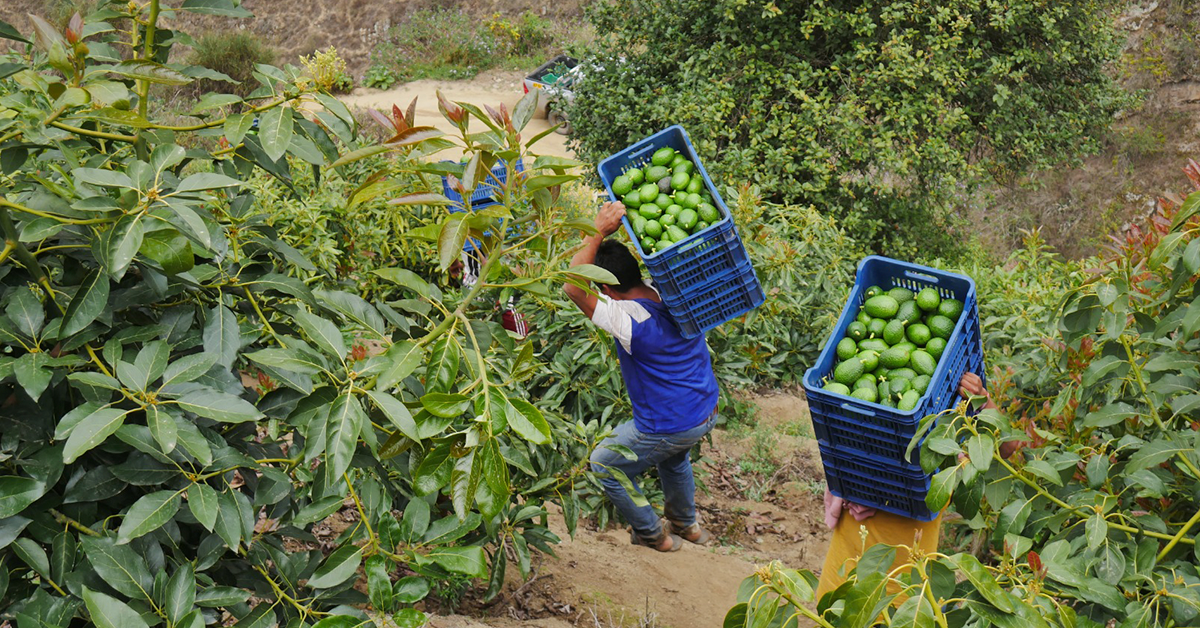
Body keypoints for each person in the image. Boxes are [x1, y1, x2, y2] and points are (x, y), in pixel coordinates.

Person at [564, 201, 719, 553]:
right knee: (674, 457)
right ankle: (686, 525)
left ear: (605, 289)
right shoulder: (668, 291)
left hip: (672, 423)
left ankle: (653, 534)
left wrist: (598, 231)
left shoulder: (629, 319)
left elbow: (573, 286)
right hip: (705, 408)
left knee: (603, 463)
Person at [815, 372, 1008, 598]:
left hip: (906, 594)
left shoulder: (949, 441)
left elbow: (1008, 446)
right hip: (847, 580)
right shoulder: (861, 432)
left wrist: (982, 398)